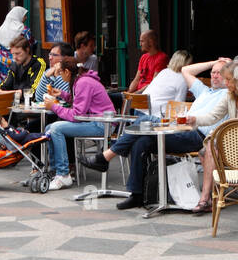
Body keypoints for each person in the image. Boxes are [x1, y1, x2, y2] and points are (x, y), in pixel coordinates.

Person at [110, 57, 230, 211]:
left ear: (229, 76)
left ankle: (111, 153)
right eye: (213, 72)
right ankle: (137, 195)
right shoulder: (204, 91)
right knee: (141, 142)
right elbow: (185, 70)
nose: (214, 75)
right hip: (179, 130)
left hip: (198, 136)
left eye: (219, 73)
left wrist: (230, 63)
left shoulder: (230, 94)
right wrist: (213, 62)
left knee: (145, 119)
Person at [82, 51, 193, 181]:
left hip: (138, 113)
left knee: (138, 138)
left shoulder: (164, 72)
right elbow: (177, 107)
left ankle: (105, 157)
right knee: (140, 134)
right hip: (156, 119)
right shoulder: (182, 79)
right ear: (186, 65)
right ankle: (105, 158)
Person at [183, 61, 238, 213]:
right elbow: (213, 116)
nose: (225, 82)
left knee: (209, 149)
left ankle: (212, 197)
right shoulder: (230, 96)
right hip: (235, 145)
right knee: (209, 146)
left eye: (229, 79)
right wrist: (194, 119)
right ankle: (207, 198)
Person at [44, 57, 114, 190]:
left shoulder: (83, 82)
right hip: (95, 121)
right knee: (49, 128)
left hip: (101, 124)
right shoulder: (81, 80)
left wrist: (54, 106)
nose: (59, 76)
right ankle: (54, 171)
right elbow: (82, 102)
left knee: (55, 128)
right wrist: (62, 94)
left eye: (60, 73)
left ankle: (63, 174)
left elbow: (77, 115)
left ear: (67, 72)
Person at [0, 6, 32, 85]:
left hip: (2, 64)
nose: (26, 18)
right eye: (24, 15)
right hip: (18, 64)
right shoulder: (24, 31)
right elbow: (30, 46)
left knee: (2, 88)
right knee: (15, 87)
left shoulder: (1, 30)